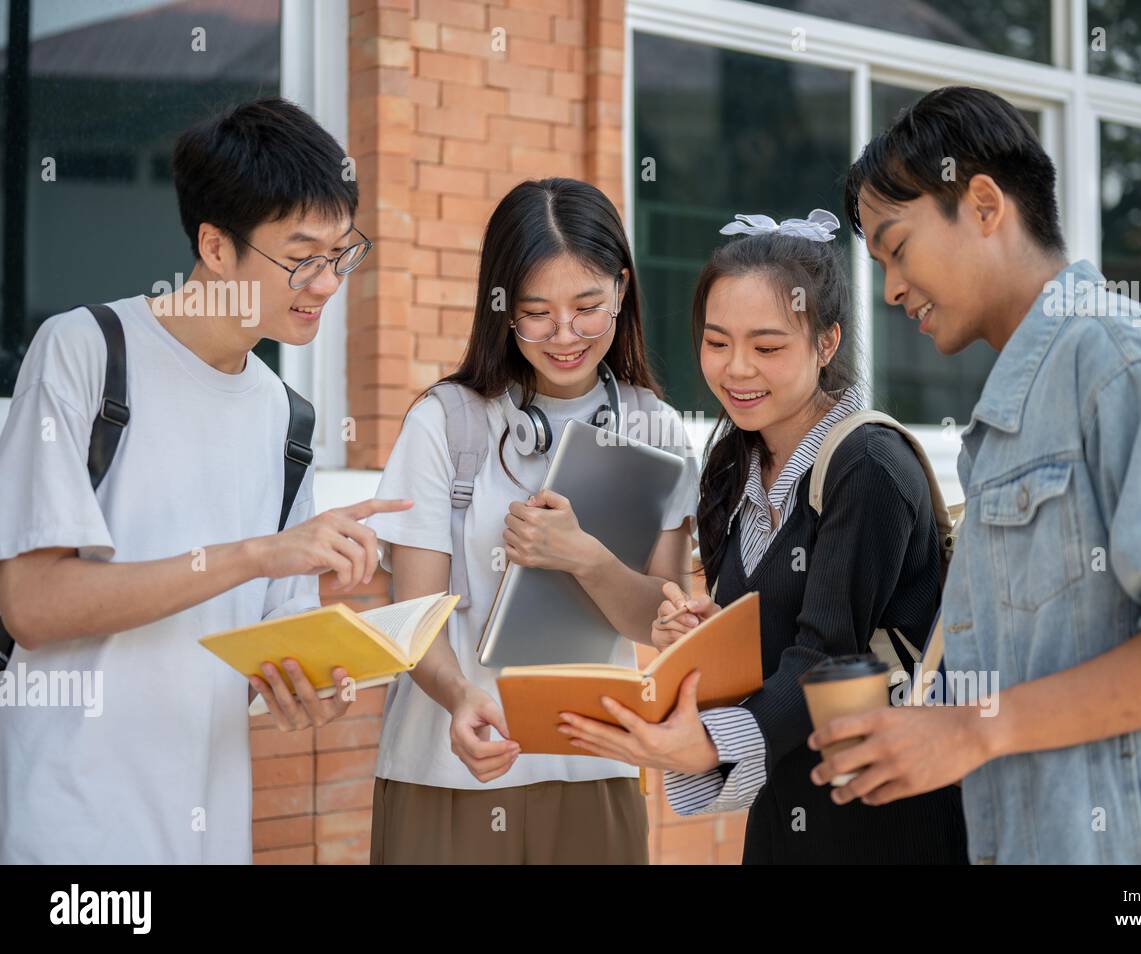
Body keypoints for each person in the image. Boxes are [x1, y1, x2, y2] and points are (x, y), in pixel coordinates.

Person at [815, 85, 1141, 863]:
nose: (891, 288)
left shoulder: (1115, 360)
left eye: (896, 248)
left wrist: (975, 729)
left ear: (982, 204)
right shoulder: (1017, 409)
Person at [0, 97, 405, 864]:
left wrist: (310, 678)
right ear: (216, 248)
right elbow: (33, 605)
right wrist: (259, 554)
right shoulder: (87, 352)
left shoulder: (288, 421)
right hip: (68, 833)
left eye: (341, 253)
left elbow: (257, 660)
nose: (326, 283)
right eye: (301, 256)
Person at [558, 210, 968, 863]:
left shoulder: (867, 467)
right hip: (785, 815)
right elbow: (770, 654)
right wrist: (705, 637)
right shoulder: (728, 471)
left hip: (889, 822)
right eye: (717, 342)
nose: (736, 369)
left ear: (826, 344)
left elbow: (824, 654)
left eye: (768, 347)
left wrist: (707, 742)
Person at [365, 177, 700, 864]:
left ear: (622, 290)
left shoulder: (654, 428)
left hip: (593, 766)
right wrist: (460, 697)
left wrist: (585, 557)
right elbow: (415, 618)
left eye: (587, 306)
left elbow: (658, 622)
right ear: (501, 308)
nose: (566, 334)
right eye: (536, 312)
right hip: (450, 765)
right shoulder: (445, 424)